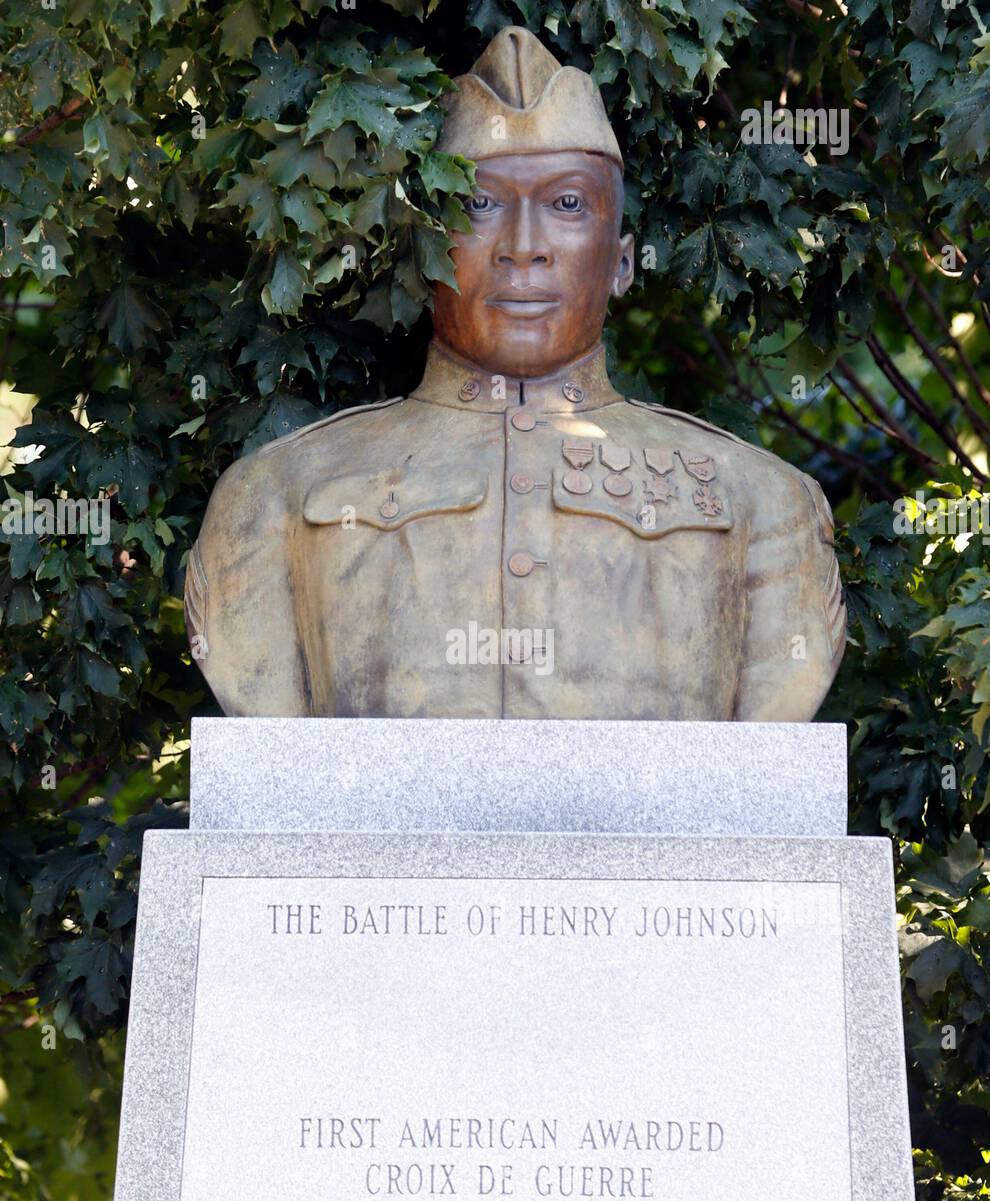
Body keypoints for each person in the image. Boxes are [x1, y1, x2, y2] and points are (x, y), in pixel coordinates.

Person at [185, 26, 845, 720]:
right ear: (424, 254)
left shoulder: (764, 504)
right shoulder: (272, 498)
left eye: (566, 205)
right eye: (478, 203)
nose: (523, 249)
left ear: (621, 262)